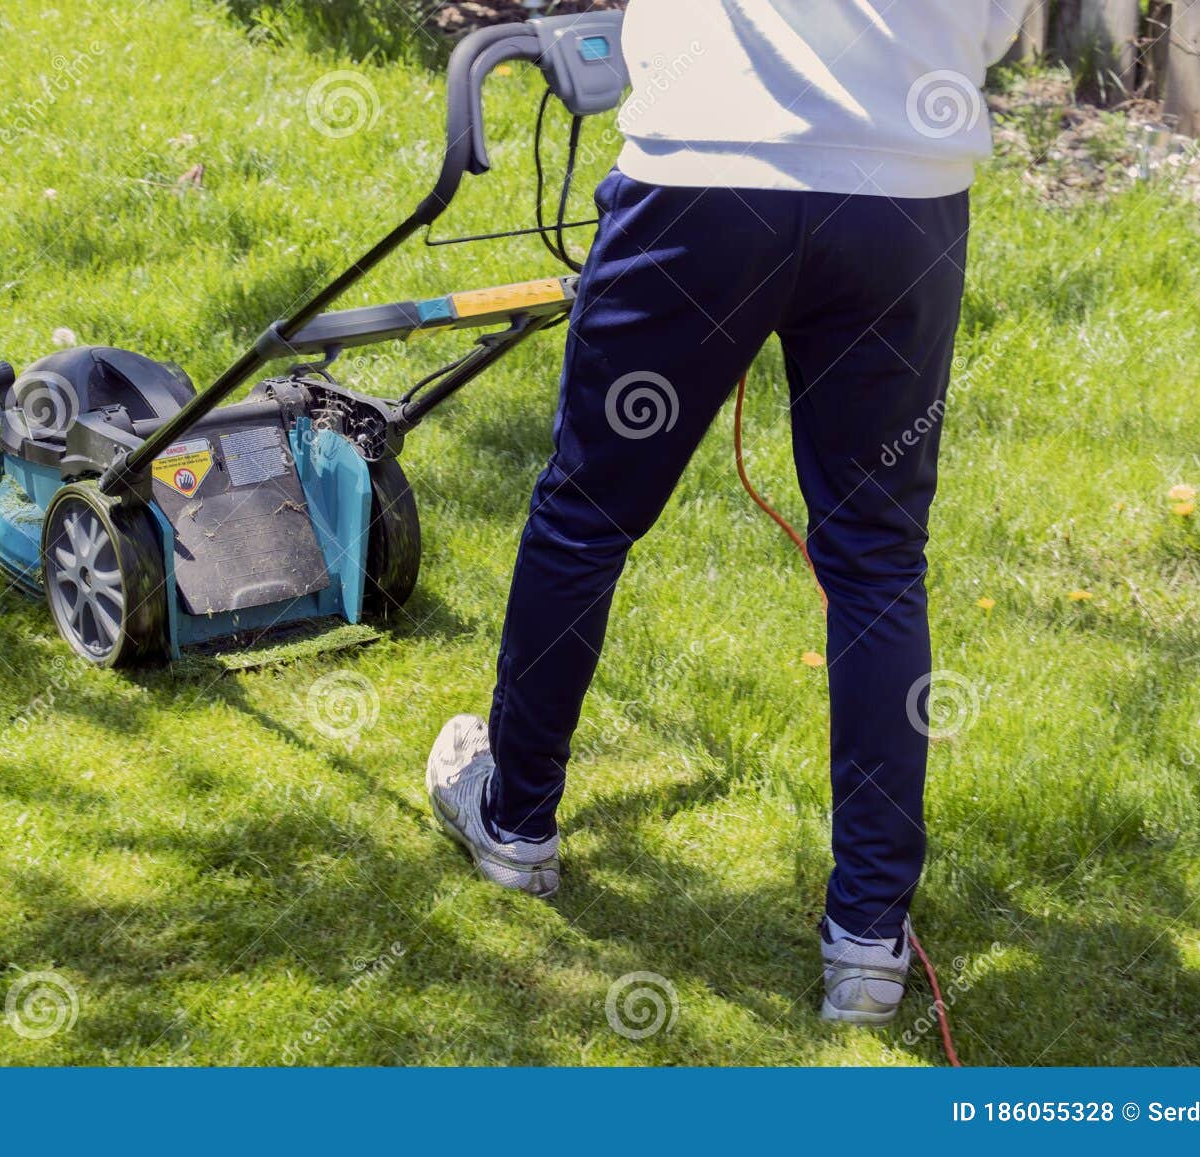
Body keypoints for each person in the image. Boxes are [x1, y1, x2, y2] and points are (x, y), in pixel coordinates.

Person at [426, 1, 1034, 1024]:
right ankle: (867, 944)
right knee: (877, 561)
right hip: (901, 195)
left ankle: (515, 819)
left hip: (702, 179)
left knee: (586, 513)